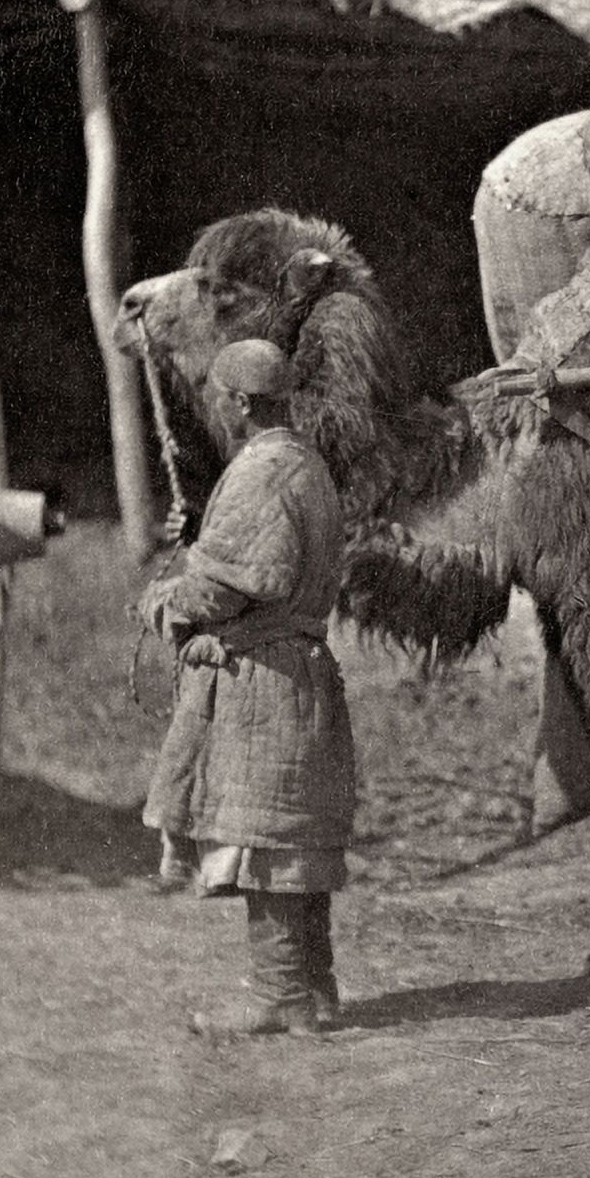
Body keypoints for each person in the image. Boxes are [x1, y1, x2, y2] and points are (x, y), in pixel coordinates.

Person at [139, 337, 358, 1038]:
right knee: (297, 842)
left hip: (263, 682)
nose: (213, 406)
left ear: (237, 401)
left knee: (265, 842)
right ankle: (315, 991)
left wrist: (165, 597)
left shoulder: (261, 471)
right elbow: (263, 556)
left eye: (216, 395)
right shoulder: (306, 465)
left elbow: (229, 586)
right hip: (305, 671)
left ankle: (279, 994)